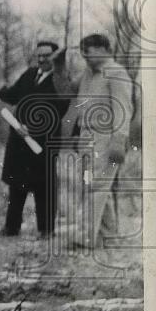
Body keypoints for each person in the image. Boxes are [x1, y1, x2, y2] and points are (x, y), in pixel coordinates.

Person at [60, 33, 134, 249]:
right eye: (82, 53)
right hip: (86, 138)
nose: (85, 57)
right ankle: (108, 236)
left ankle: (85, 237)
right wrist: (58, 66)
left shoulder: (116, 73)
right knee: (92, 185)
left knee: (97, 186)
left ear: (103, 49)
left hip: (106, 139)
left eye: (88, 52)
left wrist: (119, 140)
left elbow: (123, 109)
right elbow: (65, 91)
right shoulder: (88, 74)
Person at [0, 40, 71, 237]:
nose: (41, 59)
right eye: (38, 55)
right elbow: (12, 96)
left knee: (43, 186)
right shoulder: (29, 74)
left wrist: (34, 130)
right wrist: (2, 88)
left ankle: (46, 230)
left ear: (55, 57)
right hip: (19, 141)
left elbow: (60, 110)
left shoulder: (60, 80)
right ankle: (11, 228)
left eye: (46, 55)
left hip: (44, 142)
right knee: (16, 185)